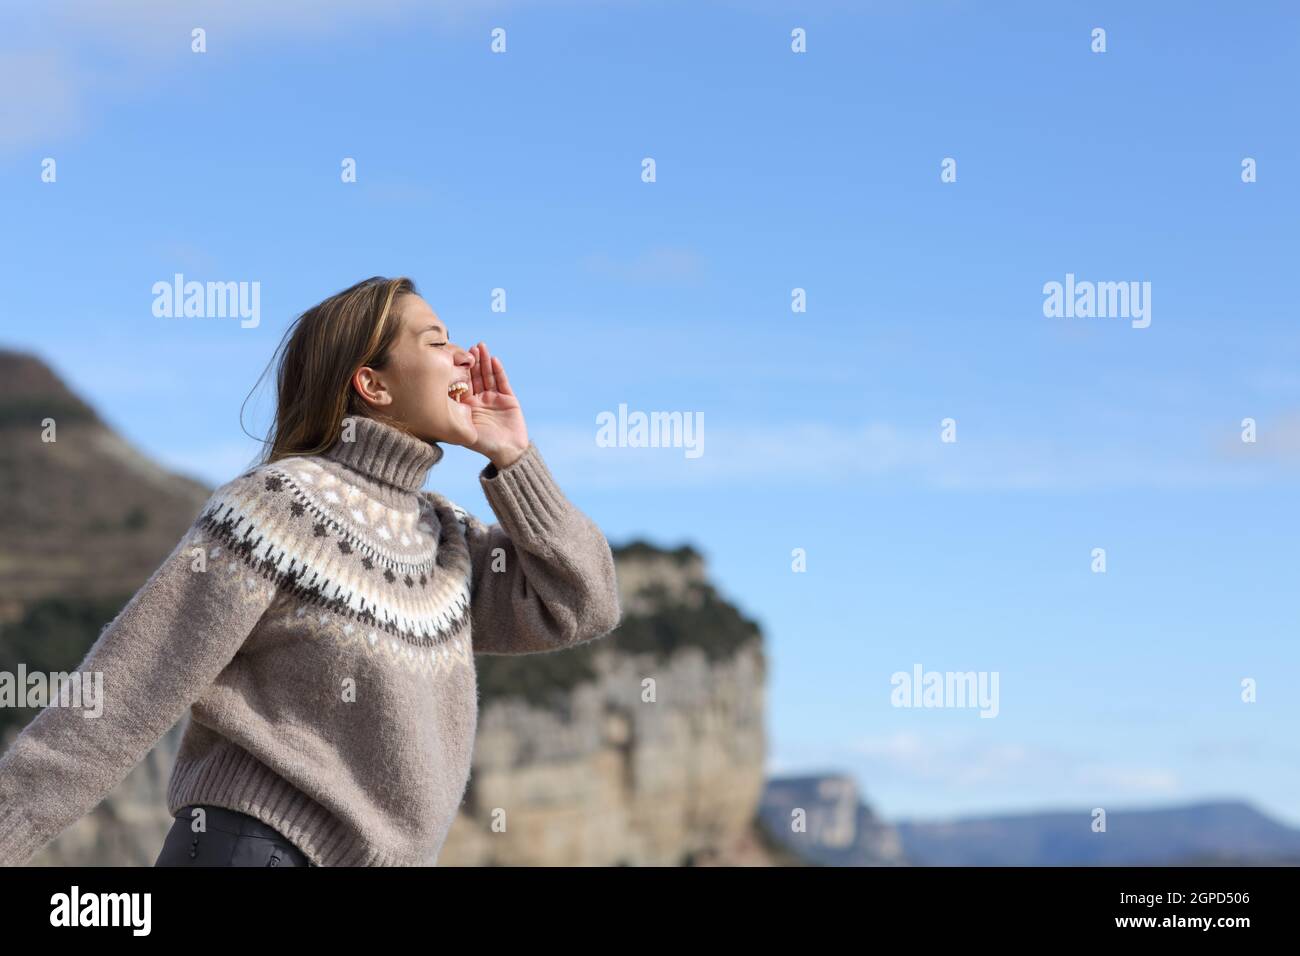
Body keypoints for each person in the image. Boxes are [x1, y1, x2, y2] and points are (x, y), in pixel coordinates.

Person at [0, 276, 622, 867]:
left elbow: (582, 602)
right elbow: (127, 690)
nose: (463, 356)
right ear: (372, 385)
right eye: (436, 340)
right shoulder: (278, 505)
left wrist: (514, 457)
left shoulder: (447, 540)